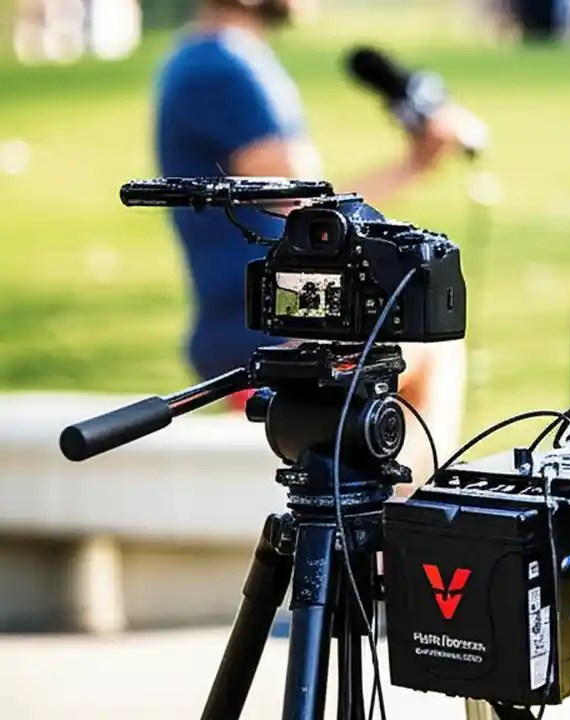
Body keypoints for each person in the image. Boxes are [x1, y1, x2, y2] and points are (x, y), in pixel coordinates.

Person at [155, 0, 467, 479]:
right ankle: (402, 533)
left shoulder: (206, 59)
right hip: (269, 323)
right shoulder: (226, 69)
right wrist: (416, 163)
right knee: (430, 343)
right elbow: (309, 210)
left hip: (248, 315)